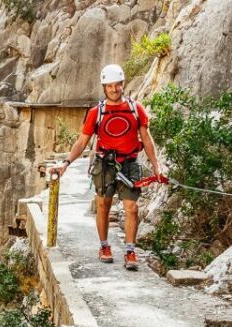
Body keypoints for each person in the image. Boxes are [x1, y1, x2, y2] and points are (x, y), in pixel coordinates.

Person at [50, 64, 163, 270]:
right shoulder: (97, 112)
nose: (114, 89)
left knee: (132, 208)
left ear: (123, 84)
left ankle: (130, 251)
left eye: (117, 85)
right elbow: (82, 141)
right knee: (103, 205)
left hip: (129, 163)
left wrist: (157, 165)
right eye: (109, 86)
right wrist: (66, 163)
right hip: (104, 164)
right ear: (104, 87)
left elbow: (146, 138)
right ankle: (104, 246)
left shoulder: (136, 109)